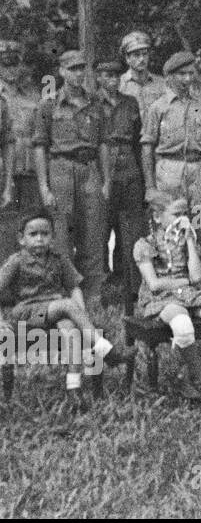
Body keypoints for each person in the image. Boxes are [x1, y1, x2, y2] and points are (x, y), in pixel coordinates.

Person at [0, 210, 126, 396]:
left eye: (45, 234)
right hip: (29, 314)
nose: (40, 239)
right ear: (21, 239)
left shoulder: (59, 259)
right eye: (33, 234)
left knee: (73, 331)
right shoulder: (17, 262)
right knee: (66, 305)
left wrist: (80, 315)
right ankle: (107, 351)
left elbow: (74, 287)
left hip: (56, 312)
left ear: (53, 237)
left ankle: (73, 387)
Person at [134, 191, 201, 400]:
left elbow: (197, 277)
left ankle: (184, 372)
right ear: (157, 217)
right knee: (183, 324)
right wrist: (183, 281)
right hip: (162, 298)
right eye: (176, 214)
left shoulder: (187, 240)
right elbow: (154, 284)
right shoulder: (145, 244)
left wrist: (190, 241)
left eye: (185, 214)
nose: (183, 219)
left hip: (190, 294)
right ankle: (197, 377)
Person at [31, 50, 109, 304]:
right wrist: (44, 186)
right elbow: (40, 146)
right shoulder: (49, 104)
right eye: (72, 69)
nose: (78, 74)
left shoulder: (95, 102)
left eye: (81, 69)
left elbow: (104, 144)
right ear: (62, 72)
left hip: (88, 169)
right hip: (60, 169)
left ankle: (93, 291)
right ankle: (65, 291)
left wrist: (106, 180)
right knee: (62, 234)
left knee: (92, 232)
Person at [141, 51, 201, 257]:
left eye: (191, 74)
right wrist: (150, 186)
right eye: (182, 74)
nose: (188, 79)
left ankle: (199, 277)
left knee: (198, 224)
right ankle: (173, 276)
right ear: (170, 76)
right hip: (169, 171)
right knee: (170, 224)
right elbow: (147, 147)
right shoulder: (158, 108)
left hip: (197, 170)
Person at [94, 56, 146, 308]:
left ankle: (131, 285)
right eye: (106, 75)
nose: (112, 80)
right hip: (103, 169)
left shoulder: (130, 102)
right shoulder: (93, 103)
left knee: (132, 231)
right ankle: (103, 287)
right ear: (98, 78)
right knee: (101, 230)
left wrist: (143, 176)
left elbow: (137, 140)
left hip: (129, 169)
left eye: (115, 75)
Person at [0, 38, 42, 214]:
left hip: (29, 170)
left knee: (30, 219)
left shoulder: (33, 94)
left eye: (14, 64)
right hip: (2, 171)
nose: (11, 69)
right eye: (5, 64)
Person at [118, 31, 169, 123]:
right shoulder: (120, 85)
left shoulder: (162, 84)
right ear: (127, 58)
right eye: (136, 55)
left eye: (144, 54)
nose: (141, 59)